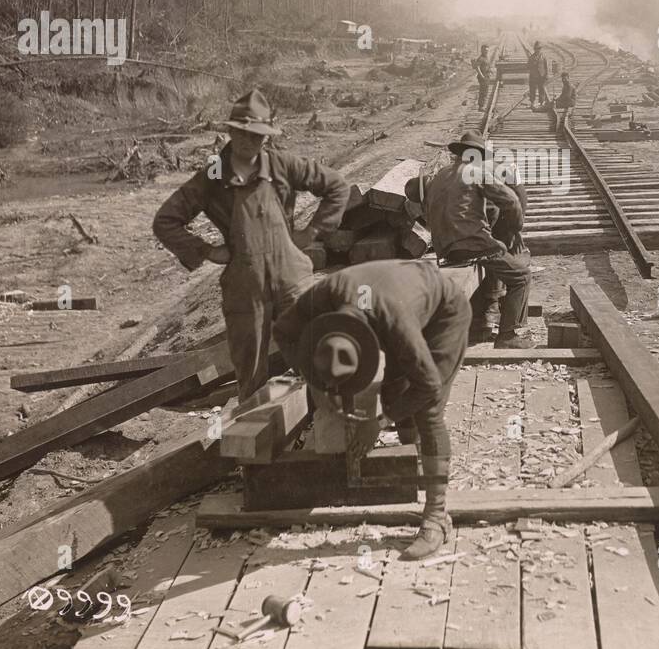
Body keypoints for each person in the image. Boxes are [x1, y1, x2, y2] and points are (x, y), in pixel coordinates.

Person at [153, 88, 349, 399]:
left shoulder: (283, 165)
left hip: (291, 280)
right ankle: (258, 439)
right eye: (243, 134)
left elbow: (337, 186)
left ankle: (322, 432)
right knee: (251, 375)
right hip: (246, 289)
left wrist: (311, 233)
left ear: (267, 136)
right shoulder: (213, 177)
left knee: (316, 358)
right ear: (230, 131)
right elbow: (165, 220)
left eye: (258, 135)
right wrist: (207, 251)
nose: (250, 142)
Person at [275, 259, 469, 560]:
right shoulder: (321, 297)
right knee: (393, 385)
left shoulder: (396, 322)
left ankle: (436, 518)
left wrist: (379, 422)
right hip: (397, 297)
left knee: (427, 411)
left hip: (443, 313)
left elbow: (428, 386)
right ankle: (415, 461)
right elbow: (283, 332)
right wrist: (316, 383)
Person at [418, 129, 534, 349]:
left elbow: (427, 212)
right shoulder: (476, 173)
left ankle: (479, 323)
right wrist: (513, 230)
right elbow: (511, 202)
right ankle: (509, 335)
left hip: (445, 250)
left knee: (492, 253)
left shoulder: (440, 175)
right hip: (473, 246)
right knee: (521, 276)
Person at [472, 45, 497, 110]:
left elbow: (487, 66)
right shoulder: (481, 58)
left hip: (487, 76)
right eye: (485, 50)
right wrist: (482, 76)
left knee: (485, 91)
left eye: (487, 50)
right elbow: (477, 68)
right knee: (483, 91)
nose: (486, 51)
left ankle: (482, 105)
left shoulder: (486, 57)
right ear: (482, 50)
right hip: (483, 77)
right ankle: (481, 106)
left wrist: (491, 71)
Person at [527, 40, 550, 108]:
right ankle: (532, 102)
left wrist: (546, 75)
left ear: (540, 49)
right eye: (536, 48)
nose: (537, 50)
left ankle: (541, 102)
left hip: (541, 76)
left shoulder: (544, 57)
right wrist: (532, 67)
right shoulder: (531, 57)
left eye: (539, 48)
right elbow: (528, 66)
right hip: (533, 76)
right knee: (532, 90)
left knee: (541, 89)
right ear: (534, 49)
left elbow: (546, 66)